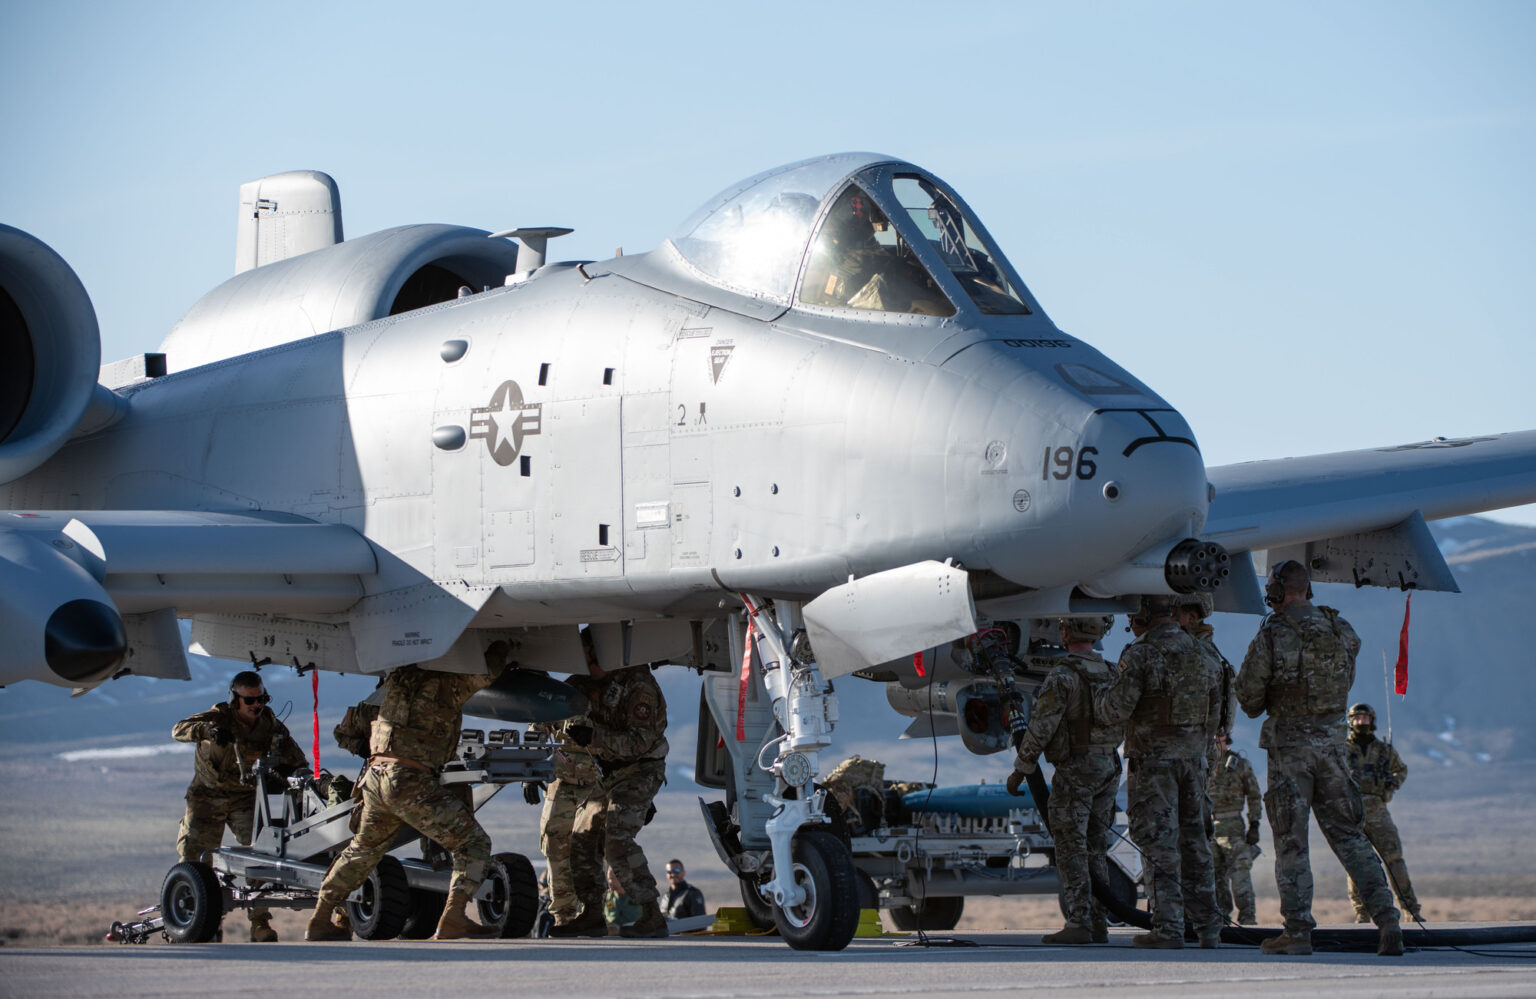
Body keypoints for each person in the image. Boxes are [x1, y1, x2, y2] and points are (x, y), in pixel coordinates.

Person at [1234, 560, 1403, 957]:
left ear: (1276, 591)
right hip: (1332, 748)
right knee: (1349, 835)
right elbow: (1346, 669)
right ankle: (1387, 919)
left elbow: (1249, 699)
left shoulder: (1272, 634)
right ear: (1307, 590)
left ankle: (1297, 933)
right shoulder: (1340, 628)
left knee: (1292, 844)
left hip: (1291, 751)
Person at [305, 645, 510, 941]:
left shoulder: (399, 679)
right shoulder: (447, 683)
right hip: (408, 779)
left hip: (376, 779)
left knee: (363, 849)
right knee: (473, 842)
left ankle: (320, 918)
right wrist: (505, 648)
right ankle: (453, 917)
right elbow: (487, 673)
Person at [1095, 594, 1224, 949]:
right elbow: (1214, 717)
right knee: (1195, 842)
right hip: (1195, 762)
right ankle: (1209, 928)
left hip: (1154, 765)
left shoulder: (1141, 653)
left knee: (1159, 843)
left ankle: (1167, 929)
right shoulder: (1205, 654)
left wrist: (1101, 697)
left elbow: (1114, 710)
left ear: (1146, 613)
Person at [1005, 616, 1121, 945]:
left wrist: (1021, 767)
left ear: (1066, 633)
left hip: (1077, 769)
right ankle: (1099, 921)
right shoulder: (1112, 672)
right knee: (1096, 847)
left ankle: (1079, 921)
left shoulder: (1063, 675)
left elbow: (1042, 726)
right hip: (1109, 765)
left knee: (1071, 847)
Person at [172, 670, 308, 942]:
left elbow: (297, 759)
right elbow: (179, 729)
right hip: (207, 798)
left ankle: (259, 924)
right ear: (235, 700)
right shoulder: (218, 717)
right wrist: (208, 731)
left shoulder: (270, 725)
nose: (257, 706)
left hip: (244, 798)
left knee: (259, 855)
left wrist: (292, 772)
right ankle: (200, 921)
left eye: (262, 699)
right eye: (250, 701)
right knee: (194, 858)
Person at [567, 661, 671, 938]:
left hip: (640, 768)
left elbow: (639, 742)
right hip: (610, 773)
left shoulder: (638, 687)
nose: (589, 664)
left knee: (617, 841)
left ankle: (651, 914)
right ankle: (591, 913)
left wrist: (594, 737)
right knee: (582, 836)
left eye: (593, 657)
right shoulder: (581, 682)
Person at [539, 684, 609, 938]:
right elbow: (538, 727)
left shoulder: (608, 695)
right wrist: (531, 771)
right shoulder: (561, 693)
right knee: (554, 847)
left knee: (588, 848)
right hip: (561, 782)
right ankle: (564, 917)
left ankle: (592, 912)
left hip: (594, 784)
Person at [1346, 703, 1421, 921]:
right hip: (1352, 810)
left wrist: (1391, 785)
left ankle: (1411, 910)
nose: (1361, 722)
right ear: (1351, 721)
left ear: (1372, 720)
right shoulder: (1342, 750)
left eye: (1365, 718)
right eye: (1357, 718)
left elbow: (1401, 770)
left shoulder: (1383, 750)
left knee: (1394, 859)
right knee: (1355, 862)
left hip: (1378, 809)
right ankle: (1362, 913)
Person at [1209, 731, 1262, 925]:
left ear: (1227, 739)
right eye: (1213, 737)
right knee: (1215, 879)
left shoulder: (1239, 765)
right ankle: (1221, 919)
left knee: (1240, 877)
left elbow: (1254, 796)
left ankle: (1248, 920)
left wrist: (1254, 824)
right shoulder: (1203, 764)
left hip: (1234, 829)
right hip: (1209, 829)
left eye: (1220, 736)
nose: (1216, 741)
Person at [603, 866, 642, 930]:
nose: (610, 882)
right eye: (608, 878)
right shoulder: (607, 896)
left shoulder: (639, 895)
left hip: (635, 931)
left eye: (612, 879)